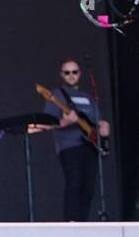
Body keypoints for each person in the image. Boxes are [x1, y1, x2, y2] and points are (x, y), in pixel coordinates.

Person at [46, 58, 110, 222]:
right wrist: (66, 122)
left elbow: (97, 122)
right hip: (69, 147)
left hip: (90, 146)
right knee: (74, 183)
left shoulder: (88, 97)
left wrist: (104, 129)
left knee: (88, 188)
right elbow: (48, 123)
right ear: (62, 74)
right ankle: (71, 223)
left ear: (79, 74)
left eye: (74, 72)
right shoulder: (57, 95)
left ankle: (82, 223)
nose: (71, 75)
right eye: (67, 72)